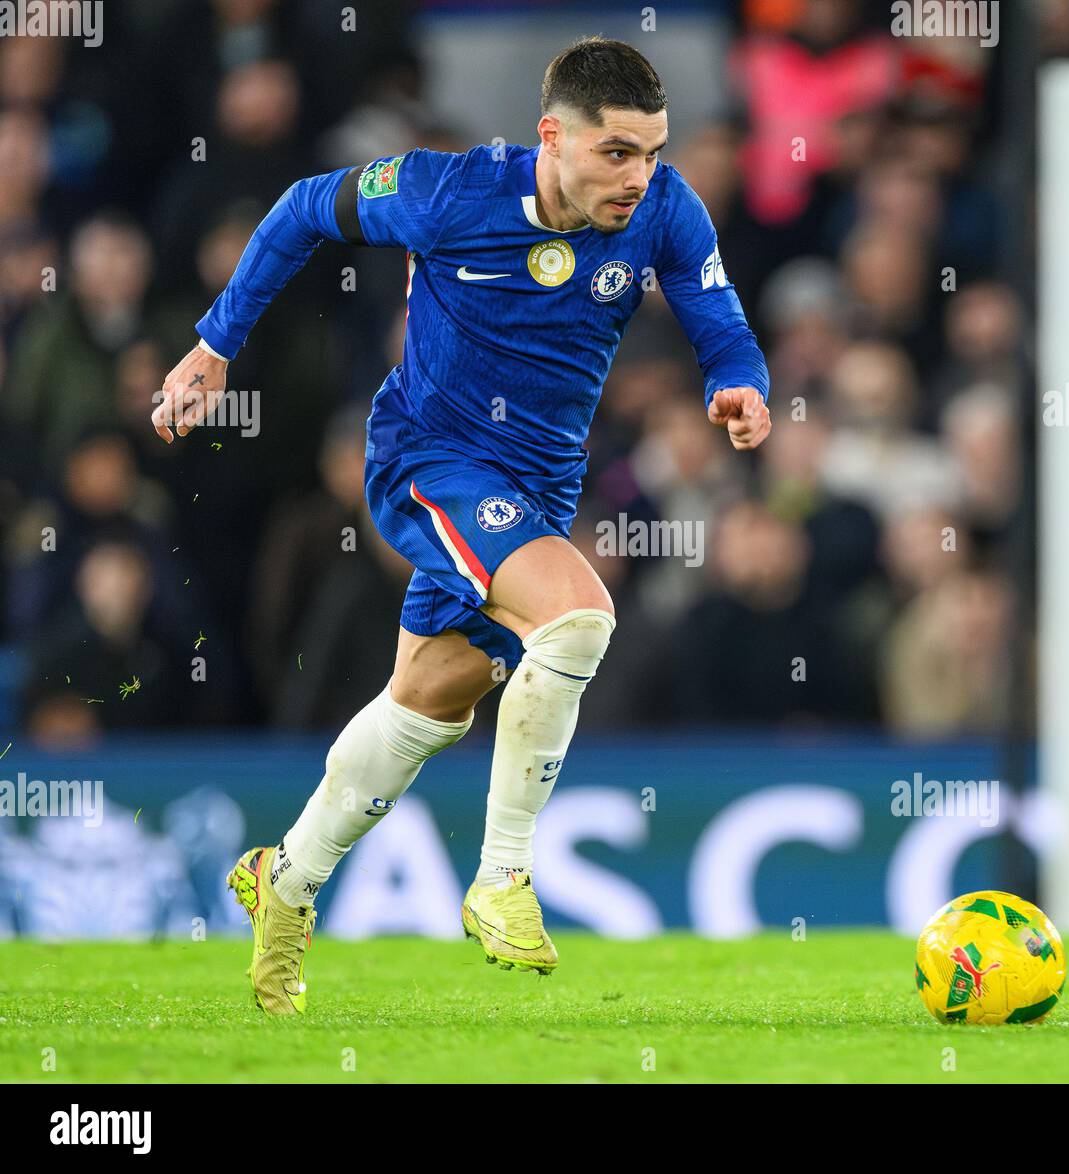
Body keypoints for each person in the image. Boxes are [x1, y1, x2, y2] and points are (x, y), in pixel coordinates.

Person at [150, 37, 771, 1014]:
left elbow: (715, 309)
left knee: (430, 702)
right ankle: (502, 877)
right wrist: (215, 344)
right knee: (578, 619)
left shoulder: (663, 207)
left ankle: (286, 879)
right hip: (429, 461)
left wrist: (739, 379)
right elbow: (303, 207)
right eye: (616, 152)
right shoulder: (448, 192)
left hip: (538, 490)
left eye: (652, 152)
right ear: (551, 136)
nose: (638, 176)